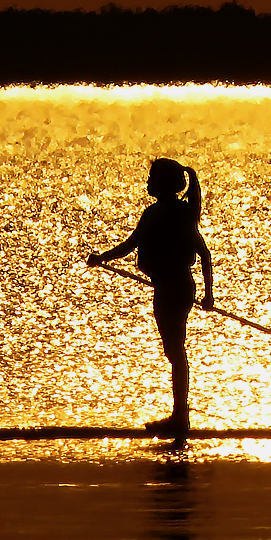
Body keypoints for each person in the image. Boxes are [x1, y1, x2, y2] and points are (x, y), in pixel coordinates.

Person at [87, 158, 214, 435]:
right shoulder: (182, 212)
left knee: (175, 352)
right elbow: (203, 254)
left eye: (151, 178)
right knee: (175, 351)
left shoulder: (160, 213)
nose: (147, 182)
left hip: (172, 288)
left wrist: (101, 258)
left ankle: (180, 417)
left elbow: (132, 244)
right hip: (177, 286)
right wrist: (206, 294)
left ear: (164, 184)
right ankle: (180, 415)